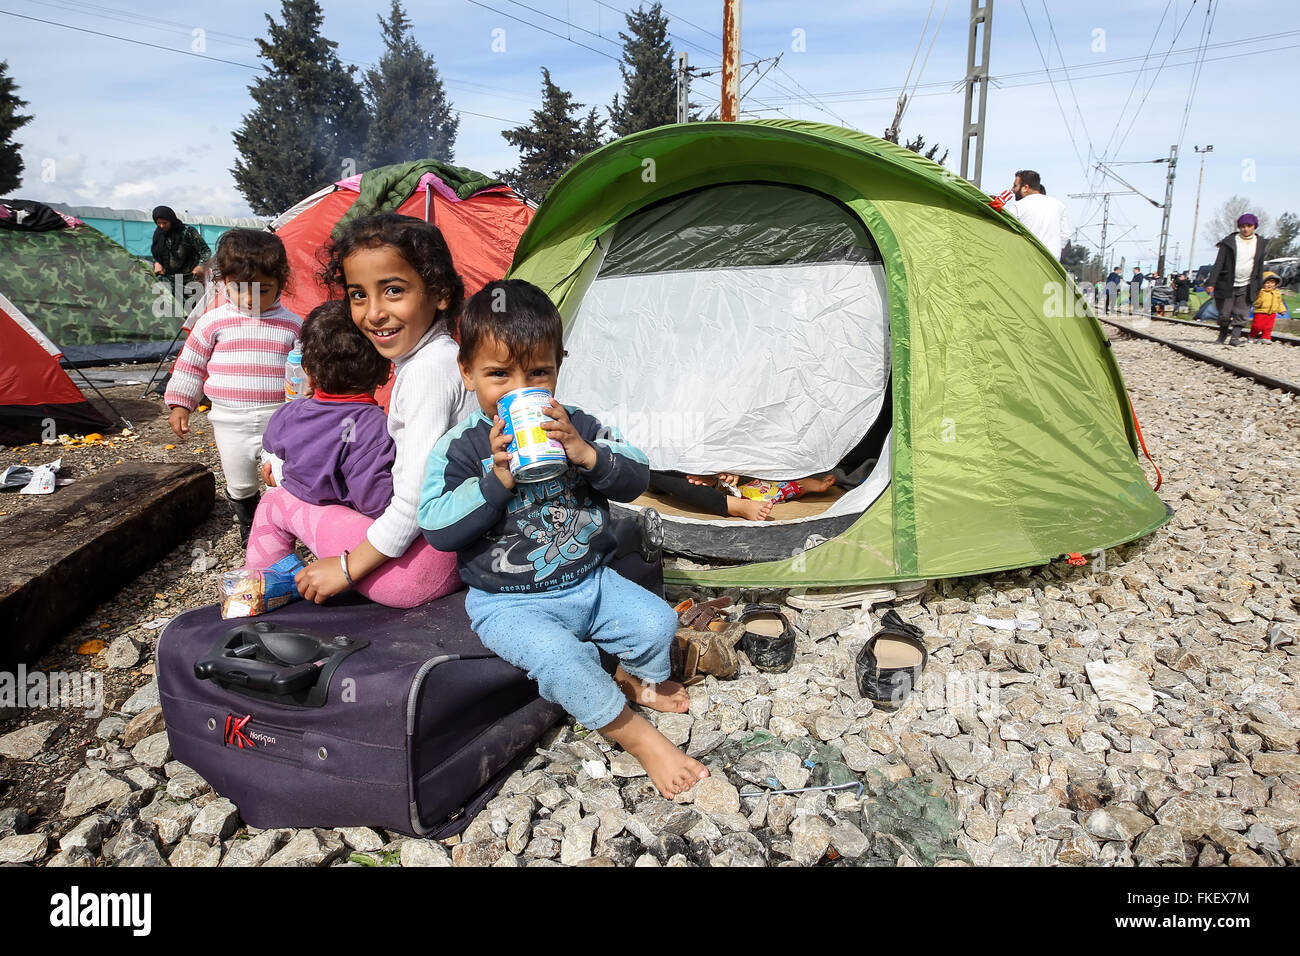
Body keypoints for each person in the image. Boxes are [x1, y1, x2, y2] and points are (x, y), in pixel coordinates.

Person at [419, 279, 709, 799]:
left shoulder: (578, 424)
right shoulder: (460, 449)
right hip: (510, 605)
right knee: (561, 662)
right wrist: (497, 479)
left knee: (658, 622)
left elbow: (639, 473)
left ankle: (635, 679)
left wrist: (587, 452)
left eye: (538, 372)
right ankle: (638, 739)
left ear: (557, 368)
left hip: (589, 582)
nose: (518, 389)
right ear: (466, 374)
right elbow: (438, 527)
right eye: (497, 375)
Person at [246, 213, 475, 608]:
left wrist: (347, 568)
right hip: (455, 551)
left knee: (276, 501)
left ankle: (262, 590)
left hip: (420, 570)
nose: (373, 313)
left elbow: (414, 502)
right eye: (358, 295)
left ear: (438, 294)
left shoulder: (427, 373)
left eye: (392, 291)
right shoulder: (439, 358)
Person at [165, 229, 300, 541]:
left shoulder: (292, 324)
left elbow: (306, 370)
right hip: (229, 422)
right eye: (242, 290)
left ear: (282, 282)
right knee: (240, 482)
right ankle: (248, 523)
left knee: (281, 476)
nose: (252, 299)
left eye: (264, 290)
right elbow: (191, 365)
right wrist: (180, 404)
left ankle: (281, 527)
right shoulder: (212, 322)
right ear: (222, 281)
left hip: (279, 421)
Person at [258, 301, 396, 529]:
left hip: (294, 516)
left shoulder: (288, 413)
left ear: (309, 374)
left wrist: (281, 475)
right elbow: (375, 503)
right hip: (338, 529)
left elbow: (269, 449)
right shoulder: (372, 426)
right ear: (384, 373)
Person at [648, 471, 837, 521]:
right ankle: (734, 505)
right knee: (658, 474)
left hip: (708, 458)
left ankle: (798, 485)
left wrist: (719, 469)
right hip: (664, 466)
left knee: (749, 484)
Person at [1206, 213, 1269, 346]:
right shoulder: (1229, 242)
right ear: (1239, 227)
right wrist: (1211, 282)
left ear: (1255, 227)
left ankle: (1235, 338)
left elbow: (1260, 265)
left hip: (1248, 284)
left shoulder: (1260, 243)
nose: (1246, 229)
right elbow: (1218, 263)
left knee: (1242, 313)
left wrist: (1259, 284)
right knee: (1224, 314)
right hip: (1227, 283)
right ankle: (1222, 334)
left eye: (1249, 226)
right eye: (1243, 226)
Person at [150, 205, 211, 314]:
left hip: (190, 280)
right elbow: (157, 253)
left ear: (171, 220)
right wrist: (157, 263)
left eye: (165, 222)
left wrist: (200, 266)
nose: (162, 226)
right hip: (169, 281)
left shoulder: (187, 231)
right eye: (159, 223)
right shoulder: (158, 234)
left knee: (194, 313)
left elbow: (205, 251)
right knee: (171, 313)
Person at [1006, 169, 1070, 259]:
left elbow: (1008, 234)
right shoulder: (1059, 205)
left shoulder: (1017, 206)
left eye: (1015, 186)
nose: (1012, 190)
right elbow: (1065, 237)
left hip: (1026, 259)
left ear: (1025, 188)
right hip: (1051, 263)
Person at [1249, 271, 1285, 342]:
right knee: (1257, 326)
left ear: (1275, 284)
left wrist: (1282, 310)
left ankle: (1266, 338)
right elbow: (1256, 301)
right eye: (1267, 283)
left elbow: (1280, 302)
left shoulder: (1276, 293)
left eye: (1272, 283)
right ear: (1262, 284)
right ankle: (1252, 336)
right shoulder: (1260, 292)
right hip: (1260, 312)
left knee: (1268, 327)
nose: (1270, 285)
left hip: (1272, 313)